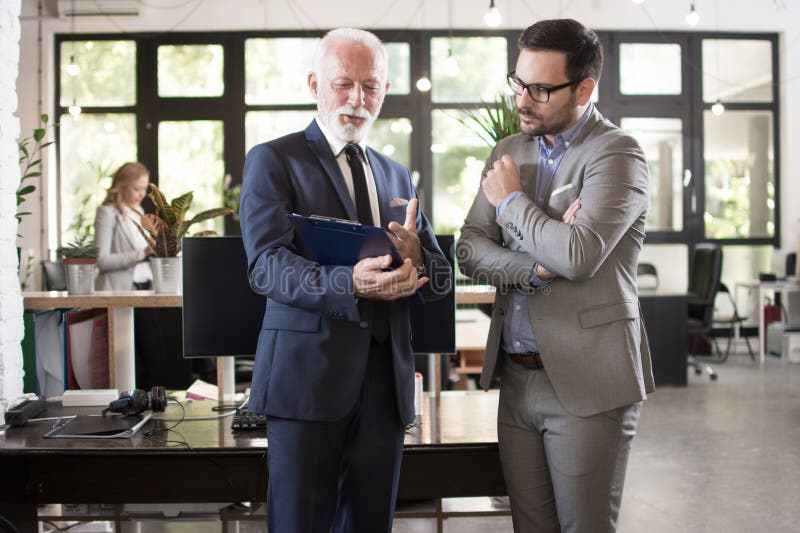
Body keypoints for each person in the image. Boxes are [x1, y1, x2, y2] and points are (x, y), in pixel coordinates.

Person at [239, 28, 451, 533]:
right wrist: (349, 284)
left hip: (386, 389)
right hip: (307, 384)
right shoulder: (274, 160)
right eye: (344, 84)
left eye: (371, 87)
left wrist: (419, 259)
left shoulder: (397, 174)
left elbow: (440, 277)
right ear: (315, 83)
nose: (358, 100)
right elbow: (265, 265)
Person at [457, 19, 654, 533]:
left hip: (589, 381)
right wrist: (535, 266)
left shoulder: (616, 153)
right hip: (517, 378)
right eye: (518, 83)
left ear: (585, 88)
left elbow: (580, 254)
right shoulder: (509, 150)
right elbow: (469, 248)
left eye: (541, 89)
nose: (523, 99)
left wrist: (513, 203)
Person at [95, 161, 152, 291]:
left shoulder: (139, 211)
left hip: (144, 286)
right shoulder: (107, 213)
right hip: (117, 291)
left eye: (145, 188)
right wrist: (143, 253)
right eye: (136, 189)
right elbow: (101, 260)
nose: (142, 194)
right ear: (122, 187)